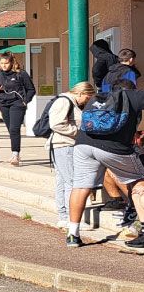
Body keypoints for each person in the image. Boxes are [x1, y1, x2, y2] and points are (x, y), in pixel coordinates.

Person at [67, 83, 144, 248]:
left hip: (84, 145)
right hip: (113, 147)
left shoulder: (97, 98)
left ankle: (73, 235)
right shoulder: (134, 95)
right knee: (139, 181)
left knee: (80, 187)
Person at [45, 82, 96, 229]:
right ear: (80, 93)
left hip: (62, 144)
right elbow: (56, 124)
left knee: (63, 180)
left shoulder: (67, 101)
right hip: (64, 145)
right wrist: (79, 132)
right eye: (87, 97)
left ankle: (64, 216)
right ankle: (70, 218)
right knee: (72, 182)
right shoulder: (65, 101)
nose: (87, 101)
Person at [0, 53, 35, 166]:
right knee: (10, 129)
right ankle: (13, 154)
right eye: (1, 63)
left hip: (17, 103)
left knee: (14, 129)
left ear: (11, 62)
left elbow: (31, 89)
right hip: (3, 103)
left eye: (6, 63)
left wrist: (25, 101)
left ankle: (15, 155)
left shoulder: (21, 74)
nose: (4, 66)